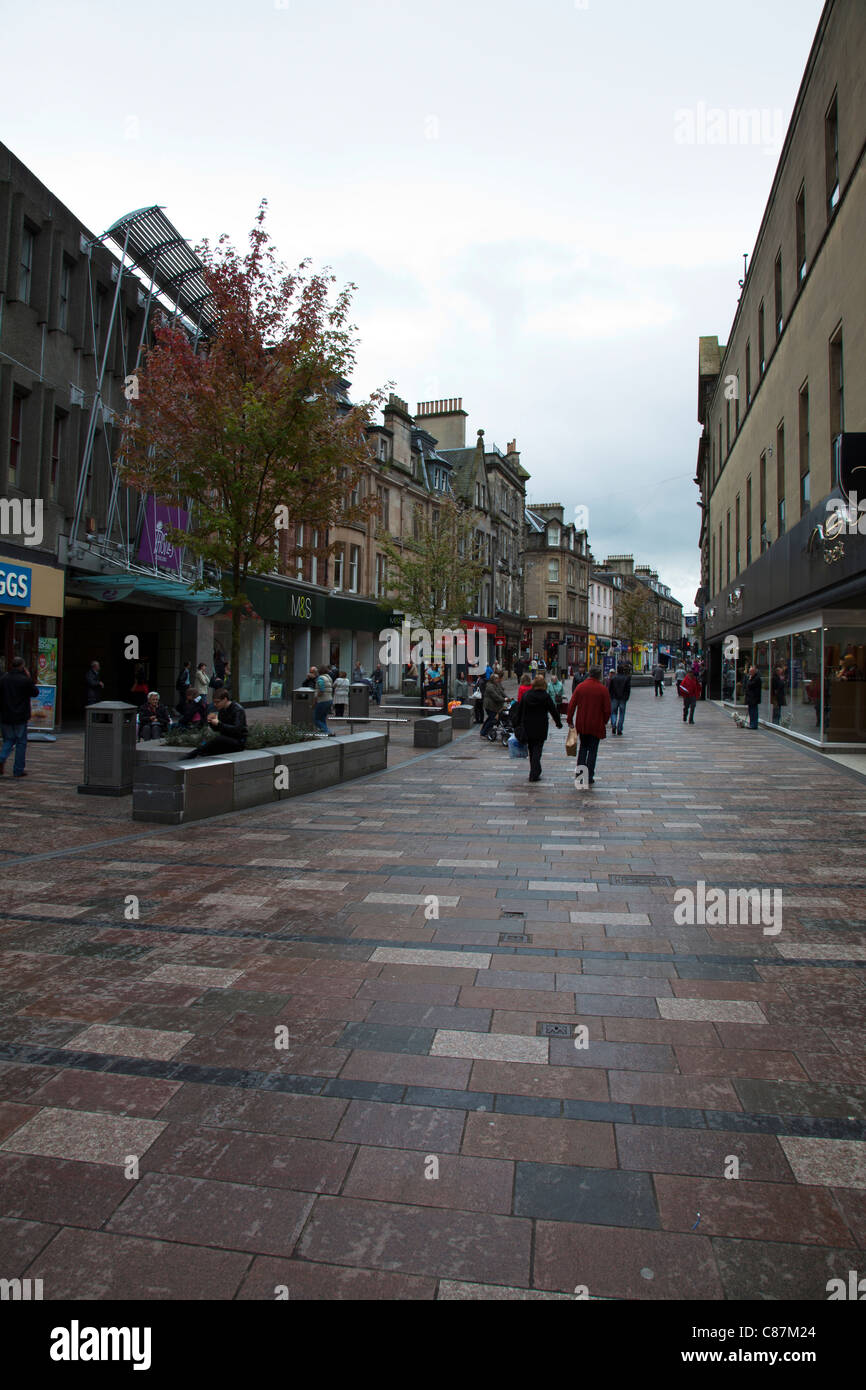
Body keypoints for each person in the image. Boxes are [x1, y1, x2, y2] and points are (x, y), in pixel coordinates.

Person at [566, 665, 611, 789]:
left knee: (583, 749)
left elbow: (572, 705)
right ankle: (590, 776)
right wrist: (604, 721)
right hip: (596, 724)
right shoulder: (602, 689)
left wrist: (570, 720)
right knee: (593, 750)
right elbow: (607, 710)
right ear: (599, 675)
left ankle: (580, 776)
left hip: (583, 723)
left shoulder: (581, 687)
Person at [516, 673, 562, 782]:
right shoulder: (545, 696)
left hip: (528, 726)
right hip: (541, 726)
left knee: (532, 749)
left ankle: (535, 770)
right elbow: (553, 710)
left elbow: (520, 710)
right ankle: (535, 772)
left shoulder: (527, 695)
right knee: (538, 749)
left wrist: (517, 724)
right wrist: (558, 723)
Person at [0, 656, 40, 779]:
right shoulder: (24, 680)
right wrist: (29, 677)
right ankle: (18, 769)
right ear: (22, 666)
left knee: (9, 740)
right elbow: (35, 692)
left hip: (5, 715)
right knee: (21, 742)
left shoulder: (4, 678)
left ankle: (1, 758)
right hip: (20, 715)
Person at [184, 687, 248, 758]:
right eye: (214, 702)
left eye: (217, 702)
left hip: (238, 742)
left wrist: (219, 724)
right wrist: (211, 722)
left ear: (225, 699)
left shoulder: (238, 710)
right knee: (207, 751)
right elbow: (217, 729)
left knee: (218, 740)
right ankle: (194, 756)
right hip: (225, 740)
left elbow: (237, 729)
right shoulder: (222, 710)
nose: (215, 704)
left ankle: (190, 755)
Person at [608, 661, 632, 736]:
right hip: (623, 699)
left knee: (613, 712)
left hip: (614, 698)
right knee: (622, 714)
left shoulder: (613, 678)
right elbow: (628, 689)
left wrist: (610, 697)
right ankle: (619, 729)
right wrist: (626, 697)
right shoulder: (626, 678)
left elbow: (610, 689)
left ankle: (614, 724)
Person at [480, 671, 507, 739]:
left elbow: (501, 692)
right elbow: (496, 696)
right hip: (490, 706)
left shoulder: (496, 684)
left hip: (494, 705)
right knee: (492, 719)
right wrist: (505, 700)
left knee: (490, 719)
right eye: (496, 679)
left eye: (498, 678)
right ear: (493, 679)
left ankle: (483, 731)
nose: (498, 680)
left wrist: (508, 698)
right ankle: (484, 732)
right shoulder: (490, 686)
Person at [314, 667, 334, 734]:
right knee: (323, 718)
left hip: (322, 700)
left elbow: (321, 689)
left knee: (316, 719)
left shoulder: (320, 678)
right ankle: (325, 730)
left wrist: (317, 696)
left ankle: (326, 731)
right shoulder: (329, 678)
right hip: (329, 699)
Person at [744, 665, 762, 729]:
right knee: (751, 711)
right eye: (749, 672)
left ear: (754, 672)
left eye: (750, 672)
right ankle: (752, 723)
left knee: (754, 711)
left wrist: (749, 679)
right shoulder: (752, 677)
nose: (749, 673)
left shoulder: (756, 678)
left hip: (754, 698)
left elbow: (750, 685)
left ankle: (754, 725)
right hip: (750, 697)